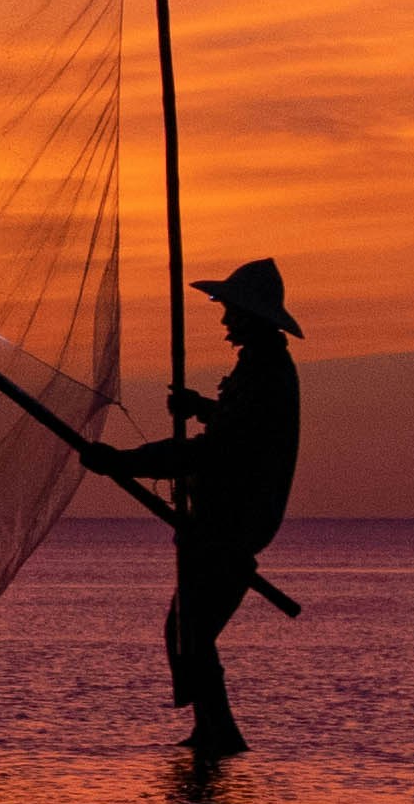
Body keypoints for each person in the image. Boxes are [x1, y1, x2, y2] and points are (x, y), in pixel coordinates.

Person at [91, 257, 302, 762]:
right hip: (222, 518)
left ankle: (219, 732)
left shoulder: (268, 371)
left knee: (193, 629)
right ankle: (211, 729)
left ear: (253, 316)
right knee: (187, 628)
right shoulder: (259, 368)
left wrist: (126, 462)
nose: (225, 320)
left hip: (234, 521)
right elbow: (238, 429)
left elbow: (221, 449)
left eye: (231, 311)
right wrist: (201, 408)